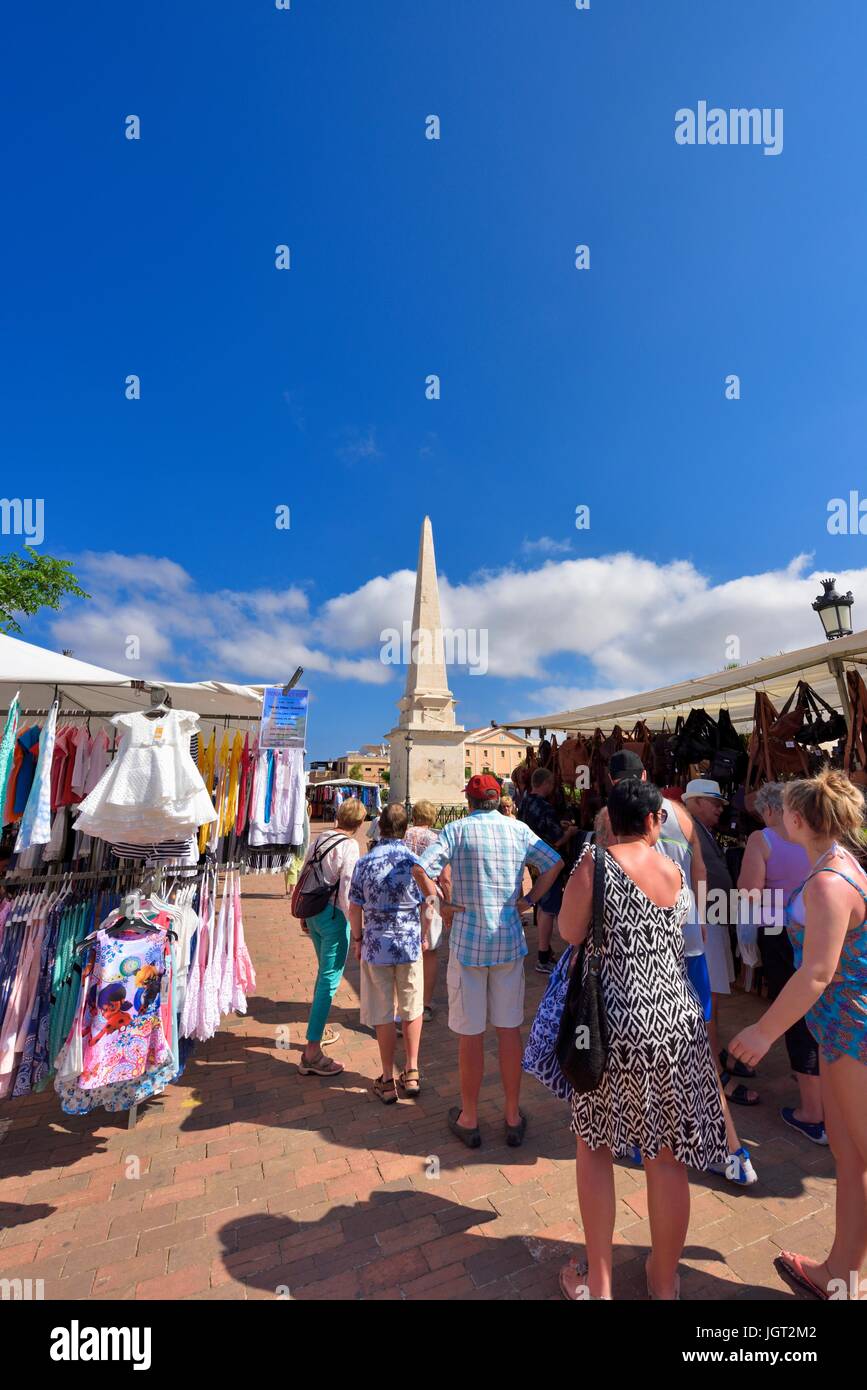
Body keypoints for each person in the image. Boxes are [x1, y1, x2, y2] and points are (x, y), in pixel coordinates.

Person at [558, 778, 727, 1301]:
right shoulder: (673, 869)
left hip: (612, 1023)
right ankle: (662, 1281)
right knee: (666, 1155)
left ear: (611, 817)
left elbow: (568, 931)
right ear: (654, 820)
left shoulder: (595, 864)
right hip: (676, 1019)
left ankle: (601, 1283)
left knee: (594, 1146)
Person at [729, 770, 867, 1300]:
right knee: (849, 1156)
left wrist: (764, 1033)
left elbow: (816, 972)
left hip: (852, 1030)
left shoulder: (830, 881)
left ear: (797, 818)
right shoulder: (836, 865)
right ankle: (840, 1273)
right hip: (838, 1030)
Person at [598, 755, 756, 1183]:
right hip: (689, 941)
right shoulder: (682, 816)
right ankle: (732, 1150)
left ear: (611, 780)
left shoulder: (607, 819)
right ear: (647, 776)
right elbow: (701, 871)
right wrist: (698, 919)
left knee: (629, 1050)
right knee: (698, 1048)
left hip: (639, 954)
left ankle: (637, 1136)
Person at [412, 772, 563, 1148]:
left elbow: (420, 867)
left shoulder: (456, 831)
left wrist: (439, 904)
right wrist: (529, 900)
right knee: (509, 1031)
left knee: (470, 1034)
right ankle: (512, 1115)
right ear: (498, 799)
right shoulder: (517, 829)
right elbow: (555, 862)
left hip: (468, 944)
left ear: (470, 801)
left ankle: (470, 1116)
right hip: (508, 941)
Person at [737, 782, 824, 1142]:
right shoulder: (816, 835)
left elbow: (748, 890)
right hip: (820, 926)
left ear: (773, 809)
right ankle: (827, 1097)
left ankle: (812, 1112)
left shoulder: (763, 839)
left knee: (794, 1015)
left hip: (780, 932)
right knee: (820, 1010)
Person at [349, 802, 425, 1103]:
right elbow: (426, 902)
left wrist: (357, 939)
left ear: (380, 826)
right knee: (411, 1005)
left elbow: (354, 908)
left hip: (376, 944)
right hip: (408, 942)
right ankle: (413, 1069)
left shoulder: (365, 862)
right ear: (405, 829)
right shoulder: (414, 861)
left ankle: (386, 1076)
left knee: (382, 1011)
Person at [297, 797, 366, 1078]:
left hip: (313, 911)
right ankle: (312, 1052)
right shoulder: (350, 846)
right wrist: (358, 928)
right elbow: (349, 886)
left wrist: (303, 913)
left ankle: (318, 1026)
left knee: (323, 974)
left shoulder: (321, 837)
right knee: (330, 978)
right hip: (334, 917)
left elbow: (306, 872)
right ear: (360, 823)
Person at [519, 767, 581, 974]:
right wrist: (570, 832)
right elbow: (556, 841)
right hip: (547, 865)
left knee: (543, 904)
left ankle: (545, 951)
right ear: (545, 784)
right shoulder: (545, 807)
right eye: (551, 783)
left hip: (532, 861)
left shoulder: (525, 803)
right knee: (548, 908)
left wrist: (557, 824)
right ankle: (543, 956)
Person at [405, 800, 441, 1022]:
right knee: (430, 949)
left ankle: (408, 1002)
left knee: (410, 951)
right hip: (429, 899)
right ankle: (425, 1004)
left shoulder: (404, 835)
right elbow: (444, 876)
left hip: (406, 898)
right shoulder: (435, 839)